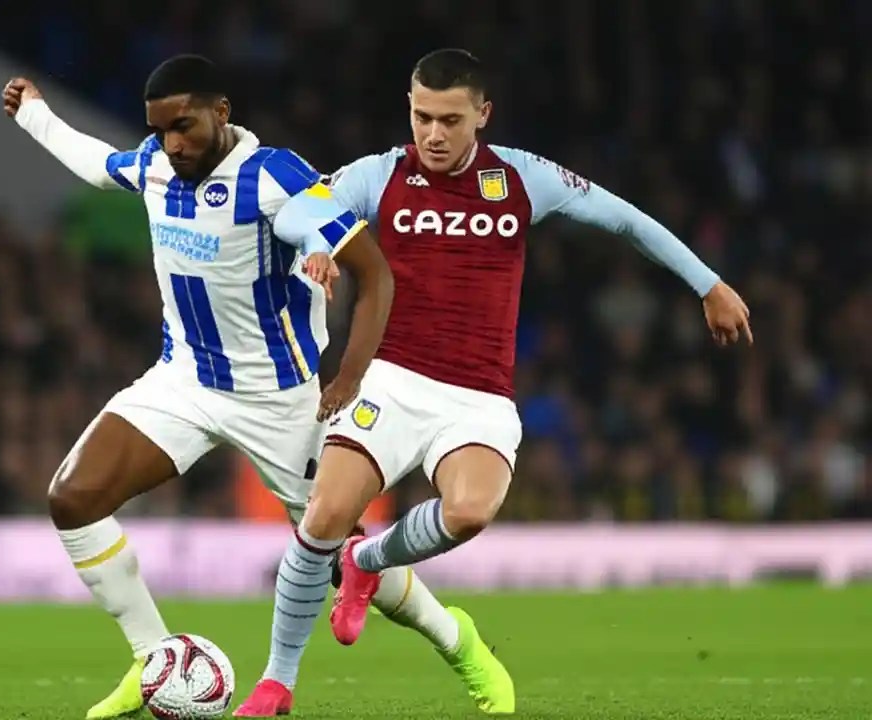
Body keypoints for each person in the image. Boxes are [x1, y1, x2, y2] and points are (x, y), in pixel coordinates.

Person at [241, 48, 755, 716]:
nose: (433, 133)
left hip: (477, 396)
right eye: (422, 116)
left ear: (482, 114)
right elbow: (294, 211)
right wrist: (320, 239)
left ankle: (368, 562)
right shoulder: (379, 175)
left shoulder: (521, 178)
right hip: (390, 380)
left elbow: (624, 217)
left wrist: (708, 283)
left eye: (450, 119)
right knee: (324, 517)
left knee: (470, 512)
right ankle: (277, 681)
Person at [4, 55, 452, 720]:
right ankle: (153, 659)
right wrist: (35, 115)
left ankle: (459, 641)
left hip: (280, 400)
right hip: (184, 379)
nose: (171, 143)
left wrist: (349, 376)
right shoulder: (156, 164)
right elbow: (99, 164)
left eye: (183, 126)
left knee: (348, 557)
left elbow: (375, 274)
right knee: (73, 498)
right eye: (158, 130)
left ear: (221, 112)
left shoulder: (276, 176)